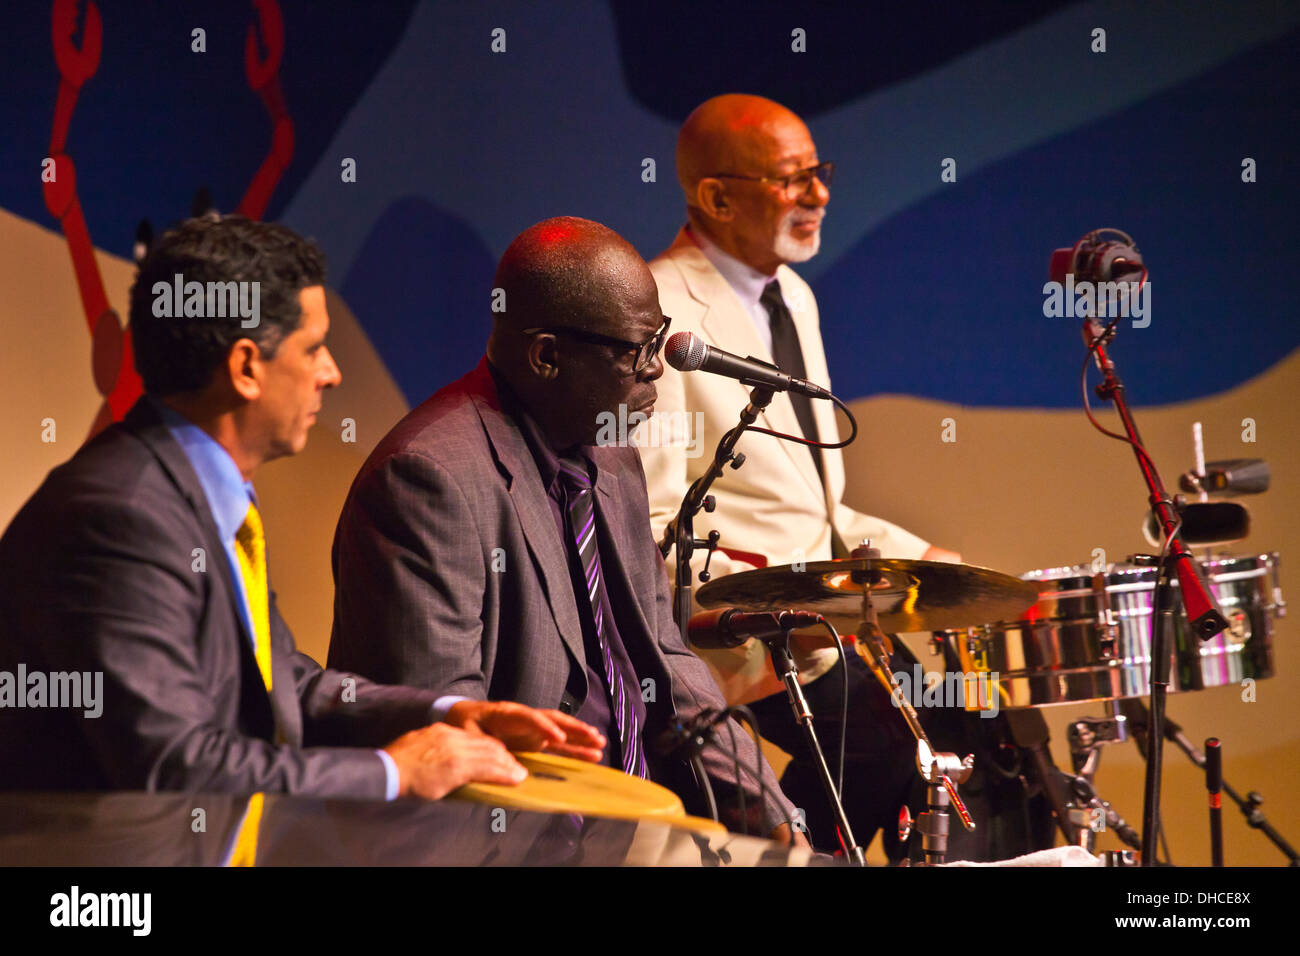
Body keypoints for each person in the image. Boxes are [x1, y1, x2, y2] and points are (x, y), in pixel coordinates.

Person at [0, 215, 602, 801]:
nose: (332, 373)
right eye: (314, 348)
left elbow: (281, 682)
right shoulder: (121, 518)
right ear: (245, 368)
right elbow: (174, 766)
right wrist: (392, 774)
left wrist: (452, 713)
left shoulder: (191, 490)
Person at [639, 94, 1049, 859]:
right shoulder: (662, 306)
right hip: (738, 636)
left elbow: (813, 507)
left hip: (828, 629)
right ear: (716, 197)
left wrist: (925, 559)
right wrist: (774, 601)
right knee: (884, 745)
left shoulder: (793, 295)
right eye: (791, 180)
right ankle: (770, 856)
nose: (819, 194)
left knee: (982, 740)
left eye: (817, 173)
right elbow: (655, 525)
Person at [328, 216, 799, 841]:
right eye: (637, 350)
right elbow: (447, 739)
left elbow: (668, 662)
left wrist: (775, 818)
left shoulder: (609, 449)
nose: (659, 369)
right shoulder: (426, 482)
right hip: (522, 837)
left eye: (659, 340)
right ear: (548, 355)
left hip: (639, 819)